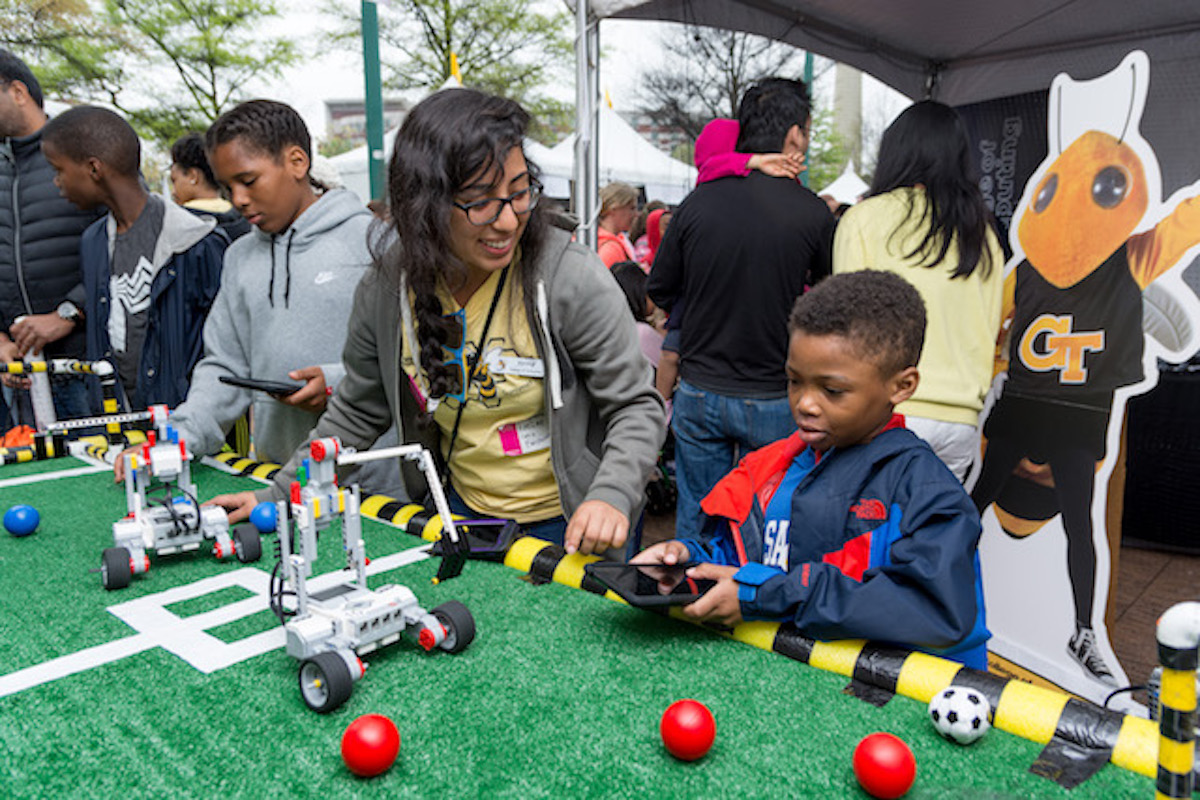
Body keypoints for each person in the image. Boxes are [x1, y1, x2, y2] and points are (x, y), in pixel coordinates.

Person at [209, 88, 665, 557]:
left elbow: (635, 406)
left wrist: (610, 494)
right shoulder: (388, 286)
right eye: (480, 202)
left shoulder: (570, 276)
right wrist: (280, 493)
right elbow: (356, 413)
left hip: (570, 523)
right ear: (423, 205)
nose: (509, 221)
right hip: (459, 514)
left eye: (519, 192)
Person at [634, 271, 990, 669]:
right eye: (793, 381)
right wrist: (689, 560)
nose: (805, 403)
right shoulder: (771, 467)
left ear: (901, 386)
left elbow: (935, 609)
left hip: (880, 696)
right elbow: (744, 556)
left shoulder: (926, 491)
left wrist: (768, 595)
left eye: (832, 390)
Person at [648, 77, 835, 540]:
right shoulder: (813, 212)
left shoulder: (697, 204)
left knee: (697, 517)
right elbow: (829, 298)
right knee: (763, 517)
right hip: (774, 393)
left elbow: (660, 287)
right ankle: (747, 585)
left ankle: (691, 584)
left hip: (700, 388)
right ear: (794, 134)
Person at [148, 100, 376, 469]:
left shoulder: (373, 243)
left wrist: (336, 381)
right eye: (227, 188)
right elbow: (224, 365)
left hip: (374, 482)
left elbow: (410, 363)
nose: (238, 200)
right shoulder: (238, 257)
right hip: (276, 478)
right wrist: (178, 441)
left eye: (249, 181)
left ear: (297, 162)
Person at [834, 101, 1004, 481]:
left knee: (869, 520)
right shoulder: (983, 235)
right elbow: (990, 325)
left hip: (888, 409)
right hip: (961, 419)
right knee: (933, 522)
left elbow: (846, 323)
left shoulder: (864, 219)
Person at [40, 106, 229, 412]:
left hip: (186, 424)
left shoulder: (197, 240)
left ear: (94, 169)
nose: (56, 182)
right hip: (117, 420)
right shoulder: (93, 242)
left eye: (58, 170)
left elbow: (225, 347)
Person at [0, 49, 103, 428]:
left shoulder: (85, 149)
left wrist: (69, 313)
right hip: (16, 374)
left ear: (18, 92)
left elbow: (129, 242)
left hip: (84, 364)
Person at [168, 133, 251, 241]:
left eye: (174, 180)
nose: (173, 192)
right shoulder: (245, 219)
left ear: (193, 176)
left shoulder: (178, 224)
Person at [596, 181, 638, 268]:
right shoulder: (610, 249)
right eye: (632, 208)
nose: (636, 214)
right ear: (613, 208)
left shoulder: (594, 238)